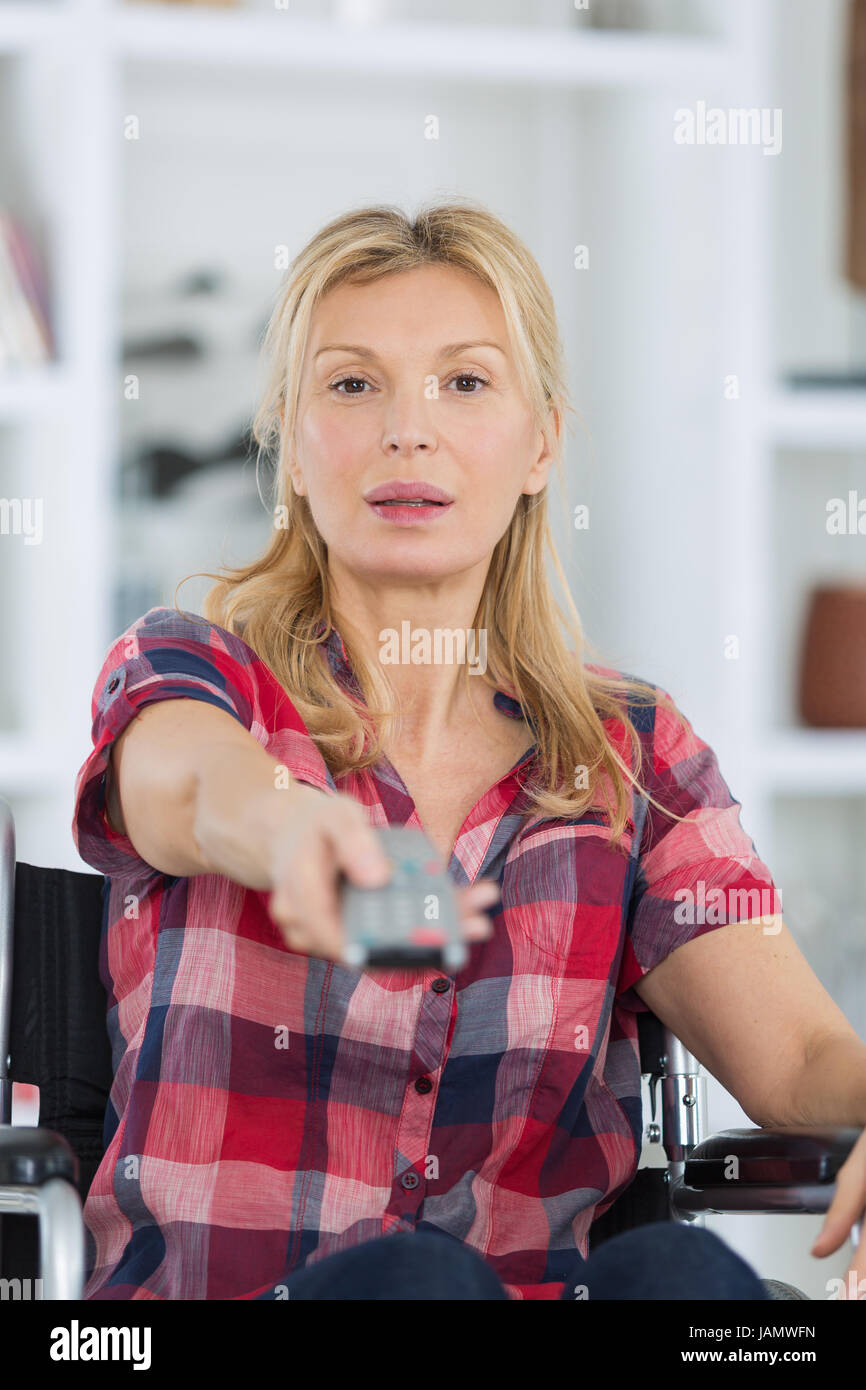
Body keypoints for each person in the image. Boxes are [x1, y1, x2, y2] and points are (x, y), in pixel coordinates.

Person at [72, 200, 859, 1302]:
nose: (408, 428)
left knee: (682, 1275)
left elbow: (801, 1064)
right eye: (351, 385)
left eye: (465, 382)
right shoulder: (196, 676)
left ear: (539, 442)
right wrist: (292, 827)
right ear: (289, 443)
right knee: (413, 1285)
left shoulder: (630, 755)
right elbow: (189, 787)